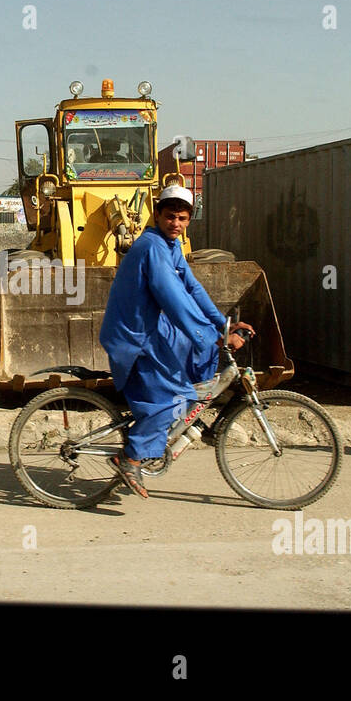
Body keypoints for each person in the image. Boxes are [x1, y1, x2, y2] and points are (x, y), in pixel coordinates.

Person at [99, 185, 253, 498]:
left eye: (182, 218)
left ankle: (158, 433)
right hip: (135, 337)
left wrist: (221, 323)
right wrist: (215, 335)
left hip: (151, 332)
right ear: (157, 215)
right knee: (177, 398)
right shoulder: (153, 248)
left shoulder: (170, 247)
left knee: (200, 360)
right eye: (170, 217)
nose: (176, 224)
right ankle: (129, 457)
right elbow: (174, 301)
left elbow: (193, 289)